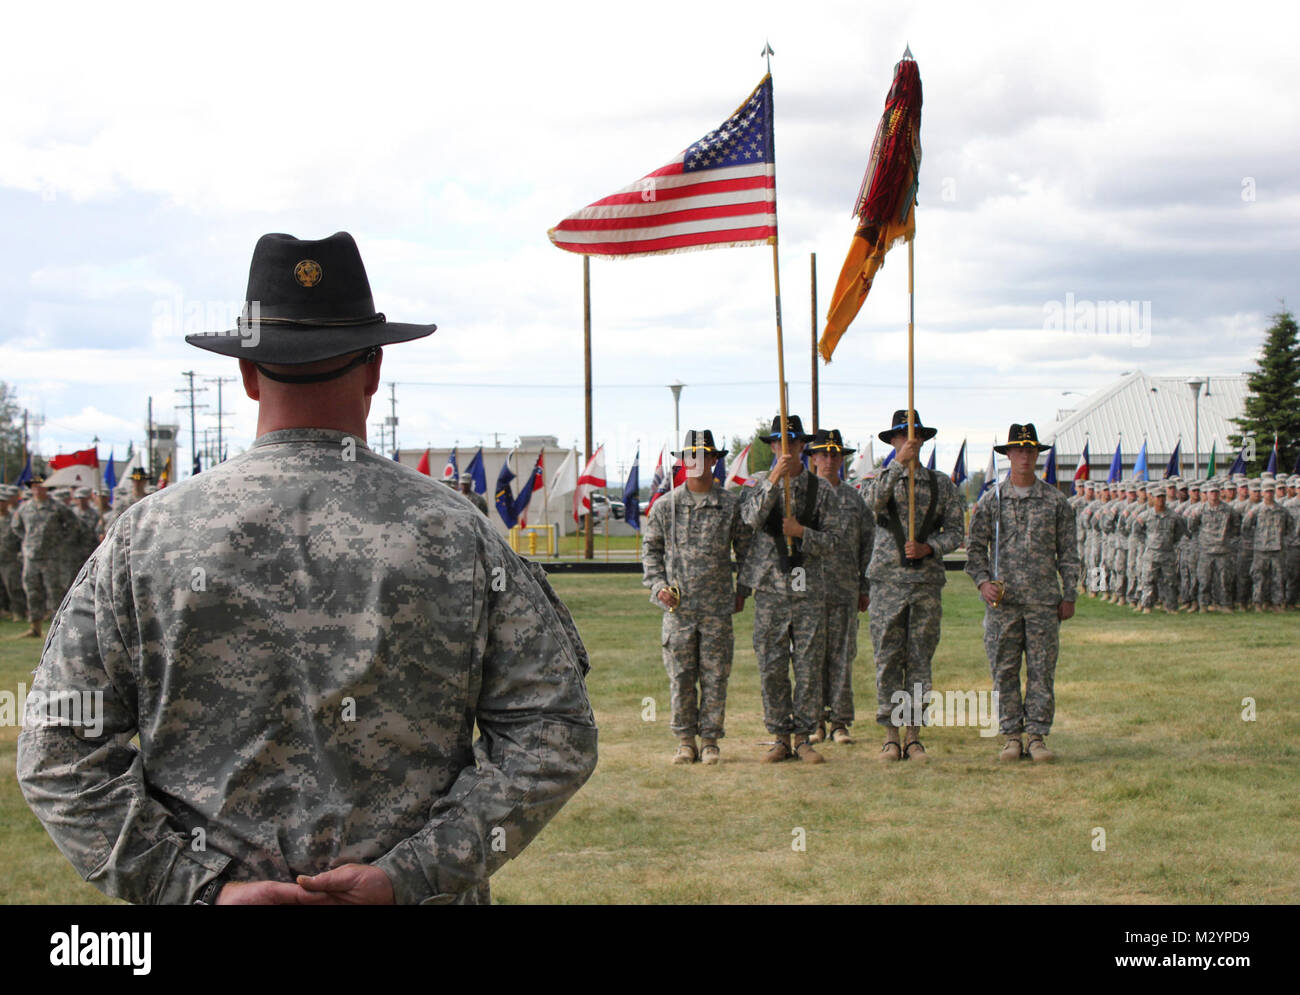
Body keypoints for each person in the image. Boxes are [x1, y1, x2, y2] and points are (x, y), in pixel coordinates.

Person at [18, 231, 598, 905]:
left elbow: (59, 756)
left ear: (246, 372)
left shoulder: (143, 538)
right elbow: (553, 734)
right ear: (375, 368)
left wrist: (197, 889)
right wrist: (412, 873)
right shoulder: (458, 534)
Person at [966, 424, 1077, 763]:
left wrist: (1069, 593)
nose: (1025, 456)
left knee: (1042, 671)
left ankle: (1037, 736)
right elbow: (974, 549)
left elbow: (1069, 552)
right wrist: (983, 582)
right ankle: (1012, 735)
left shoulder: (1056, 501)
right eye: (1019, 450)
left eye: (1031, 451)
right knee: (1005, 669)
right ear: (1009, 455)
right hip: (1005, 603)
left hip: (1044, 601)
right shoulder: (991, 501)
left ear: (1036, 455)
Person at [641, 430, 751, 765]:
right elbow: (651, 551)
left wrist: (742, 591)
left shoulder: (730, 505)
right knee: (682, 677)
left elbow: (746, 552)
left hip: (717, 609)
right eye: (690, 455)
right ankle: (686, 741)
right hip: (680, 610)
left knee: (716, 676)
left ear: (715, 460)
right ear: (682, 461)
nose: (697, 462)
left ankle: (711, 741)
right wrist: (658, 586)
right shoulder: (667, 506)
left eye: (704, 456)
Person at [867, 409, 965, 762]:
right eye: (900, 435)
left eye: (914, 435)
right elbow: (870, 505)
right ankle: (891, 736)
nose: (908, 440)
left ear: (922, 439)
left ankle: (913, 735)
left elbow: (956, 531)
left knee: (920, 660)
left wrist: (930, 547)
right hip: (887, 583)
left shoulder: (940, 485)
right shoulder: (881, 479)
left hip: (924, 583)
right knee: (888, 659)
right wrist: (897, 465)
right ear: (892, 441)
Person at [739, 414, 837, 764]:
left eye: (792, 442)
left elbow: (834, 542)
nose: (786, 448)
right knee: (772, 665)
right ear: (772, 447)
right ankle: (779, 736)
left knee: (808, 665)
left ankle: (804, 736)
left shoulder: (821, 490)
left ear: (801, 446)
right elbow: (749, 520)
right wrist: (773, 481)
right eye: (779, 442)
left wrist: (801, 533)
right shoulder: (757, 483)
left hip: (808, 588)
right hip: (770, 588)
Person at [805, 429, 873, 745]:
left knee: (843, 657)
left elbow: (868, 545)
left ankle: (840, 723)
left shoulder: (854, 499)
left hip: (845, 590)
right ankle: (815, 720)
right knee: (810, 658)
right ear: (813, 458)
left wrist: (865, 587)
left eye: (836, 454)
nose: (830, 460)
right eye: (824, 454)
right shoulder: (802, 496)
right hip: (809, 592)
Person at [11, 473, 81, 638]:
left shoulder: (57, 507)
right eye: (34, 486)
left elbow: (73, 525)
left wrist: (60, 542)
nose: (37, 489)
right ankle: (35, 628)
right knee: (32, 590)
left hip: (51, 557)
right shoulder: (24, 508)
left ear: (47, 488)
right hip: (31, 557)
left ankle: (57, 630)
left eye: (40, 485)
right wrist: (28, 542)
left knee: (54, 592)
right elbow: (17, 527)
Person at [1138, 483, 1188, 613]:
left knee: (1170, 581)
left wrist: (1170, 542)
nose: (1160, 500)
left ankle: (1170, 606)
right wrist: (1147, 542)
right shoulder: (1146, 515)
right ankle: (1147, 606)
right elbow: (1137, 530)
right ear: (1153, 498)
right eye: (1158, 497)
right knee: (1148, 580)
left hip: (1167, 553)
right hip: (1151, 553)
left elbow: (1180, 532)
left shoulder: (1174, 516)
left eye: (1162, 497)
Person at [1247, 479, 1294, 612]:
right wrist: (1255, 540)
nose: (1269, 494)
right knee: (1259, 577)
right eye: (1266, 491)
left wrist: (1283, 540)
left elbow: (1290, 527)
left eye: (1271, 491)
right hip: (1261, 549)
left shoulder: (1282, 510)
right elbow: (1246, 527)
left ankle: (1277, 604)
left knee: (1278, 577)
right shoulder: (1256, 510)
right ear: (1262, 493)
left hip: (1277, 549)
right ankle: (1258, 603)